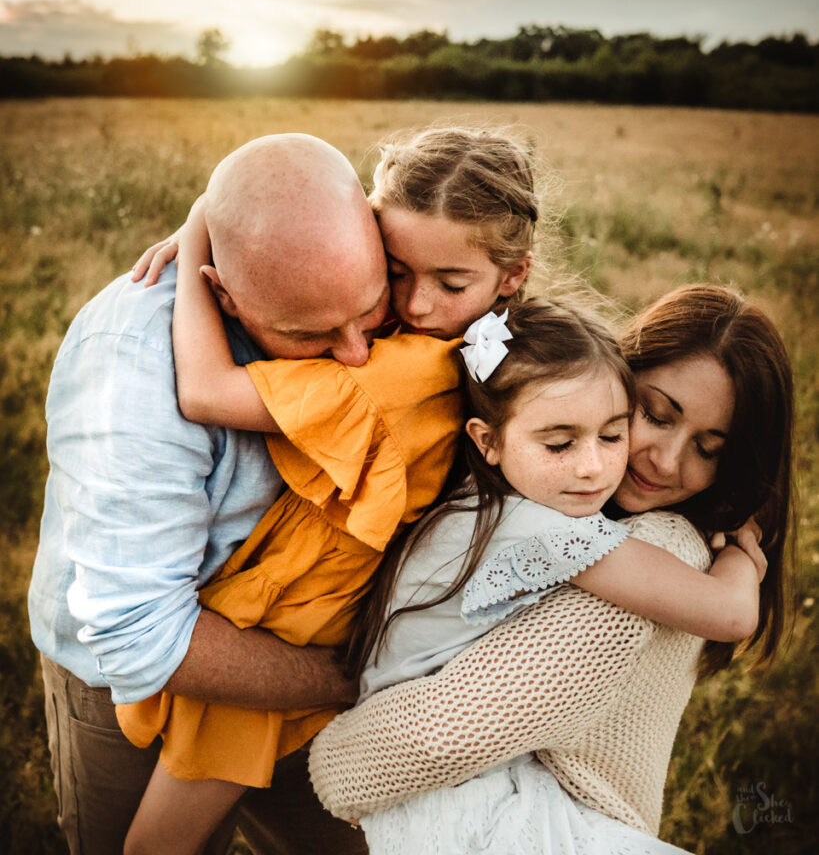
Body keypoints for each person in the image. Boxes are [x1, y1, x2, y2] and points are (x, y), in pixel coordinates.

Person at [117, 126, 539, 854]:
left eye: (450, 283)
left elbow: (209, 393)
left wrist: (197, 243)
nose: (417, 305)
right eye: (395, 270)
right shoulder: (502, 346)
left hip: (286, 625)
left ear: (512, 274)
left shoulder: (404, 371)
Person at [310, 285, 794, 851]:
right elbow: (733, 613)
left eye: (709, 449)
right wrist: (743, 552)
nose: (664, 460)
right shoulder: (550, 527)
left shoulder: (505, 487)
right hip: (449, 789)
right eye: (654, 415)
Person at [28, 132, 392, 855]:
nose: (356, 355)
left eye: (372, 310)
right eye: (311, 333)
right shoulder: (133, 370)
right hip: (140, 689)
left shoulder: (357, 263)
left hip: (306, 645)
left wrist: (200, 215)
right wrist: (357, 677)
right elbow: (139, 637)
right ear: (220, 289)